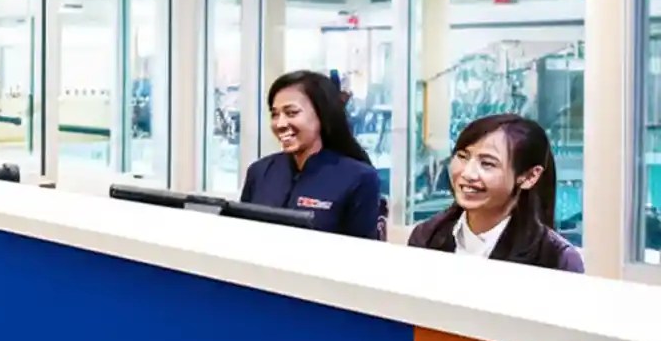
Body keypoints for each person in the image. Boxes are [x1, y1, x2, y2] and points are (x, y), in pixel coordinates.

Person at [407, 114, 584, 272]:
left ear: (529, 176)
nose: (468, 173)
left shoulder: (556, 259)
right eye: (462, 156)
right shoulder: (427, 236)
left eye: (487, 164)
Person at [240, 70, 381, 239]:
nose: (280, 123)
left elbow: (362, 256)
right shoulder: (260, 172)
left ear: (321, 115)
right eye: (275, 114)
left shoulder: (359, 178)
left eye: (292, 113)